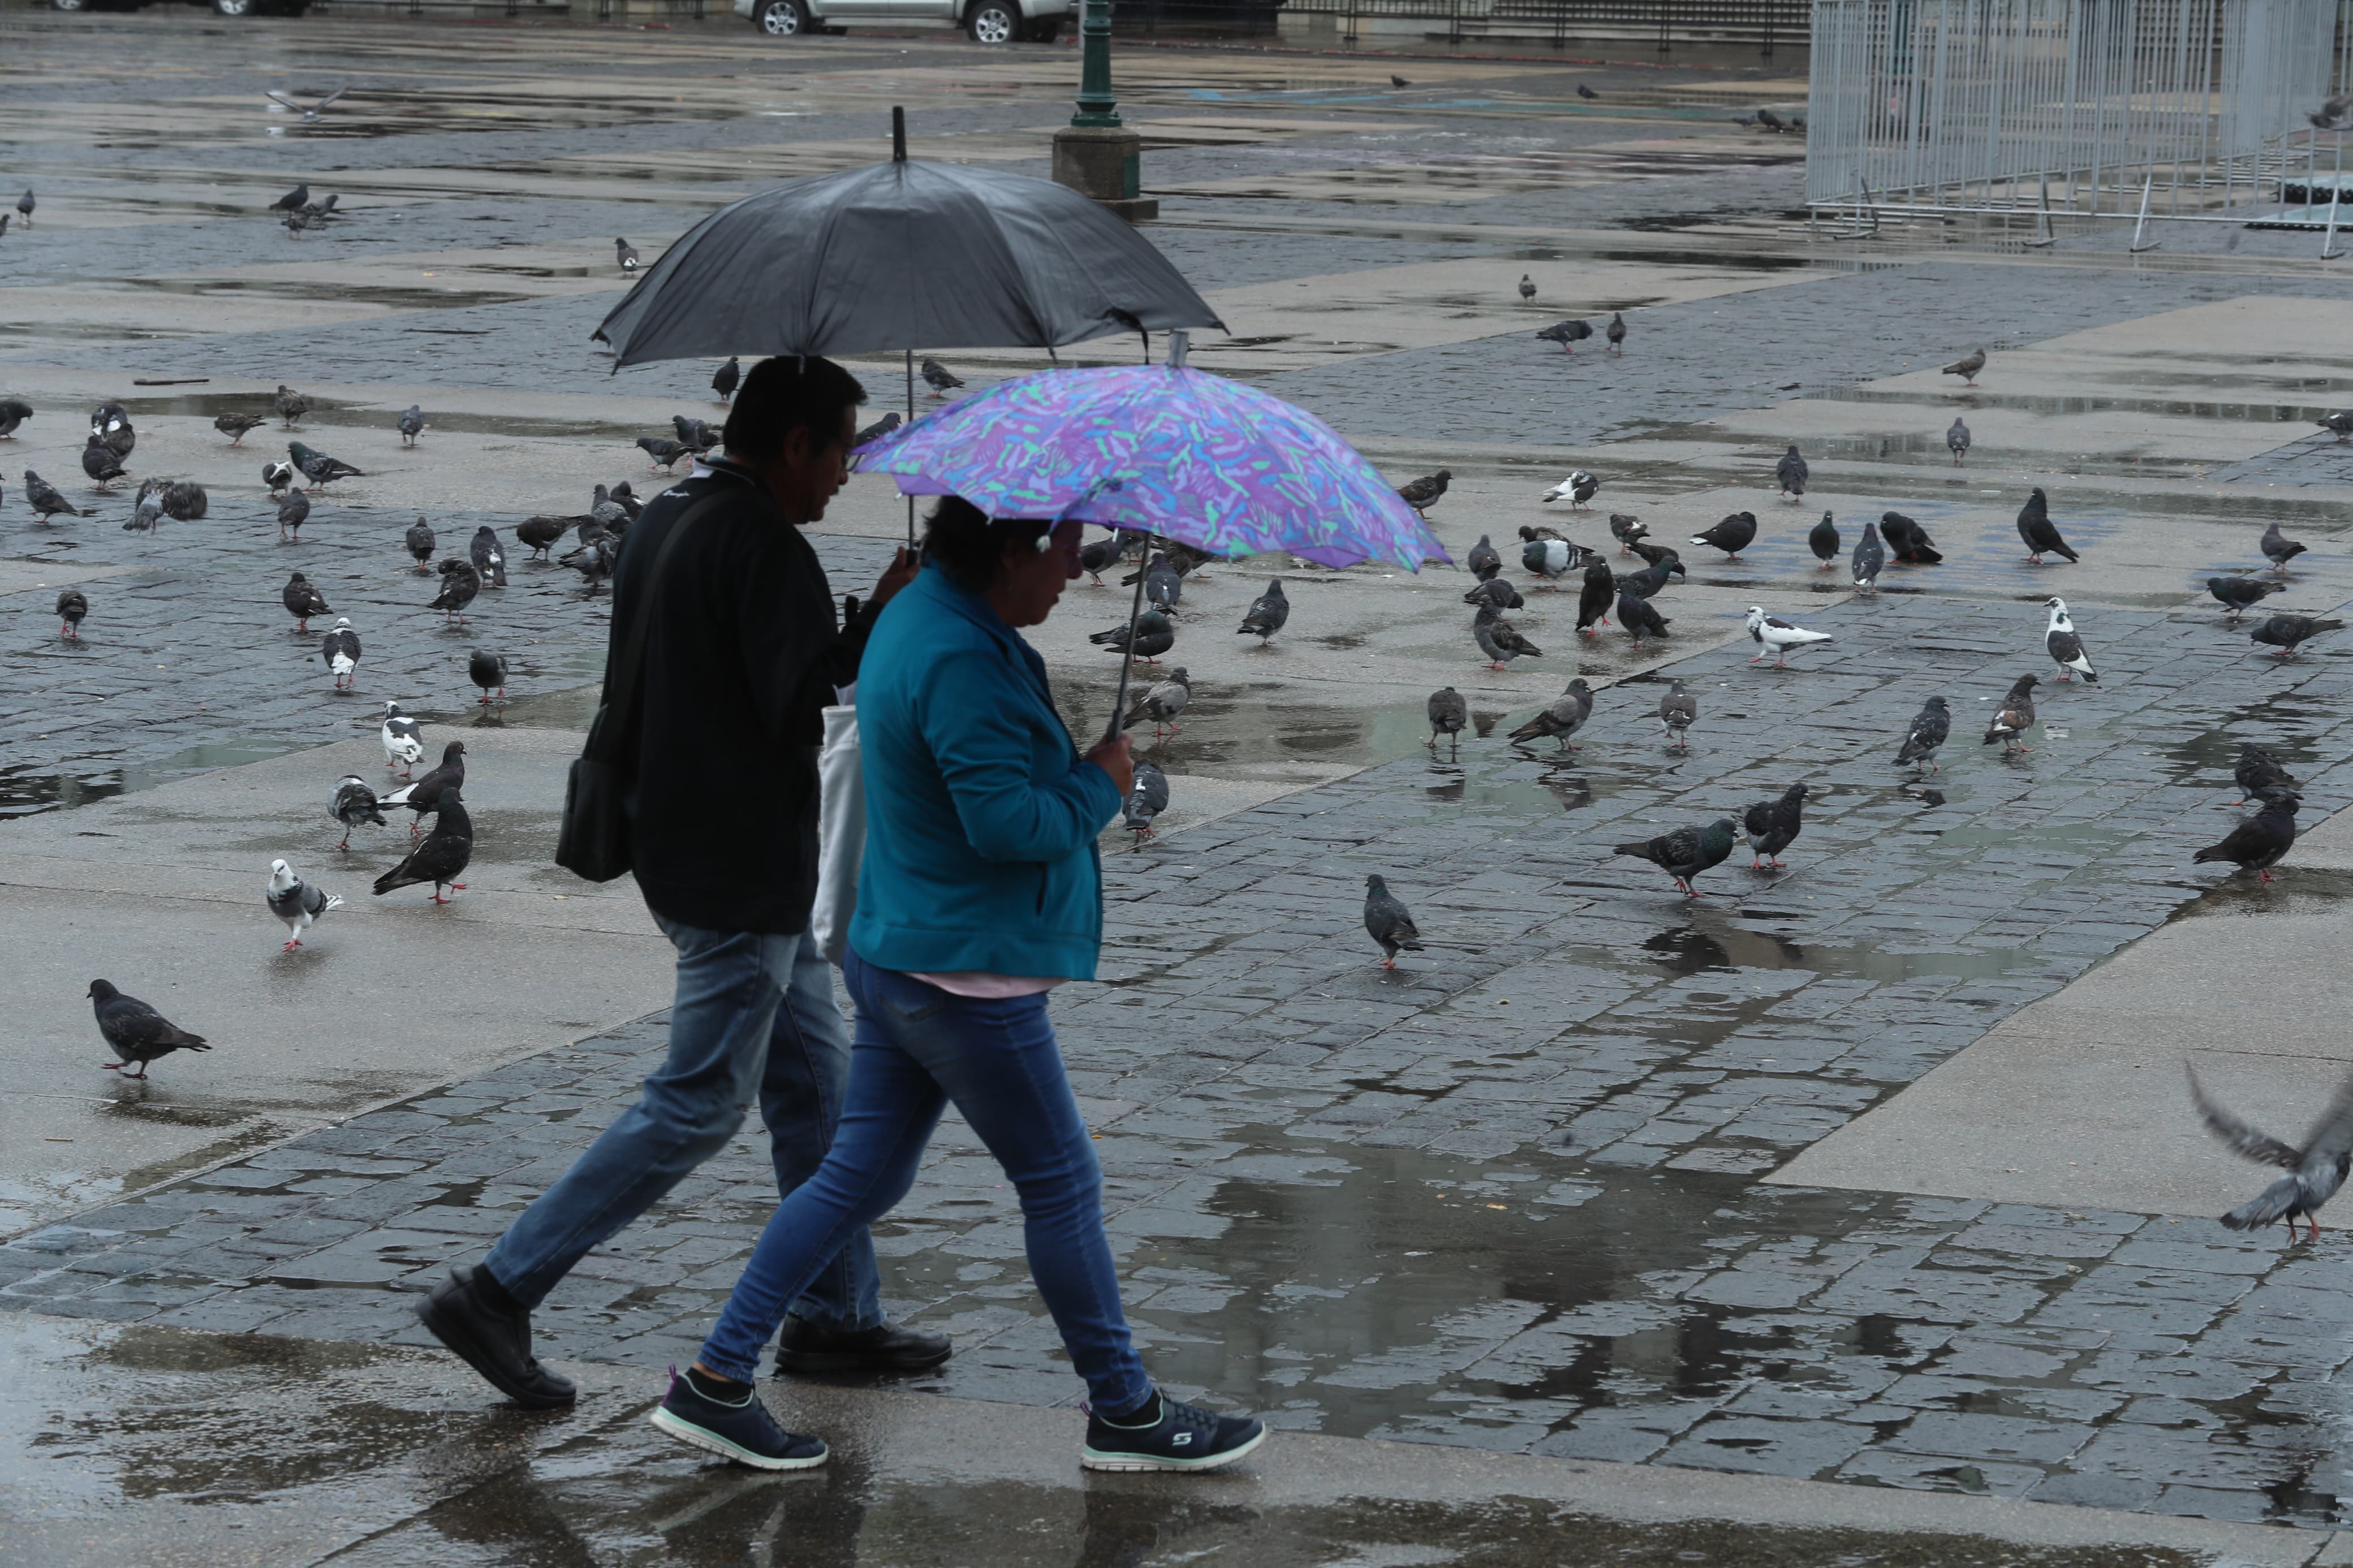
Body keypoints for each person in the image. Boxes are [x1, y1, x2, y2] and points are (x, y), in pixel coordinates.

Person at [647, 499, 1267, 1473]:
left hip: (899, 943)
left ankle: (718, 1379)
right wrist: (1101, 779)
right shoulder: (962, 657)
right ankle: (1125, 1410)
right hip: (960, 972)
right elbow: (1006, 825)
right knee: (1062, 1182)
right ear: (1010, 552)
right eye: (1062, 552)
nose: (1074, 571)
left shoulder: (925, 613)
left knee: (861, 1173)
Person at [417, 356, 945, 1407]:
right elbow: (802, 714)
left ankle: (838, 1314)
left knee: (814, 1085)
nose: (846, 474)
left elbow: (728, 680)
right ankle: (498, 1286)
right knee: (702, 1099)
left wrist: (866, 614)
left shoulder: (672, 514)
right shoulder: (767, 547)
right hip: (737, 862)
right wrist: (886, 621)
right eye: (841, 449)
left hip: (684, 838)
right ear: (795, 443)